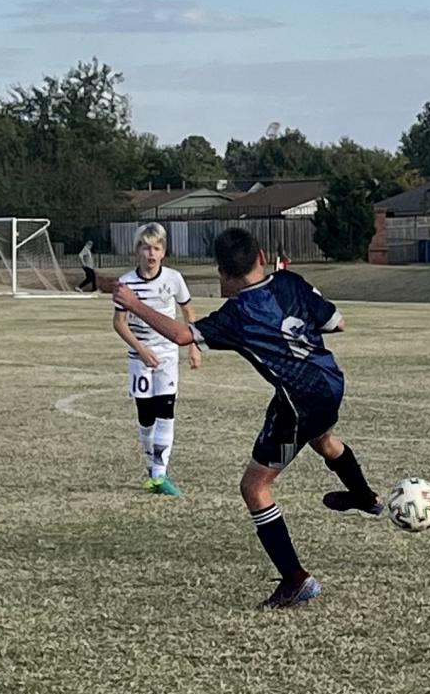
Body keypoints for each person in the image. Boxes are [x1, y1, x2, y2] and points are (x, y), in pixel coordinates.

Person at [113, 227, 382, 610]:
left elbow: (181, 335)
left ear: (223, 274)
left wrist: (132, 302)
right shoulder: (290, 281)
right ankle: (363, 495)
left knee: (254, 488)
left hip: (298, 400)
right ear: (261, 257)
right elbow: (337, 323)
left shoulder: (237, 313)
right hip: (330, 382)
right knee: (324, 440)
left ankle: (296, 579)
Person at [112, 223, 200, 496]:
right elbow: (119, 323)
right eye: (146, 247)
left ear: (164, 252)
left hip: (168, 354)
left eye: (157, 248)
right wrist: (141, 349)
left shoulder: (174, 279)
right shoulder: (126, 283)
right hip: (139, 357)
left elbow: (188, 312)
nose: (151, 253)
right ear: (137, 250)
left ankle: (160, 474)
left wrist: (194, 347)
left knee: (166, 410)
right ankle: (152, 467)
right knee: (146, 416)